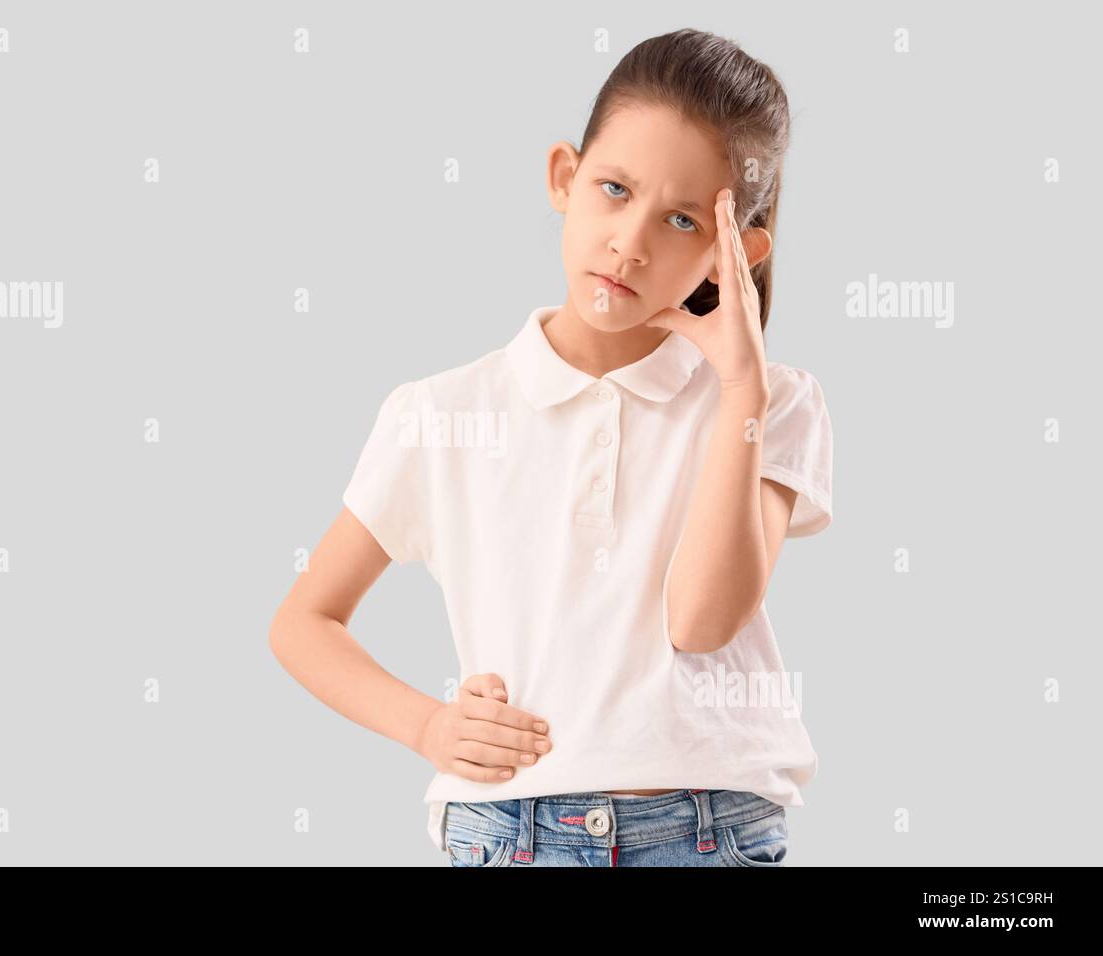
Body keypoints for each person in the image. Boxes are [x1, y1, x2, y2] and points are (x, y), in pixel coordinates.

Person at [269, 28, 833, 867]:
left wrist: (739, 392)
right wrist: (428, 724)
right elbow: (303, 622)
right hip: (512, 834)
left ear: (735, 254)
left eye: (681, 219)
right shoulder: (441, 412)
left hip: (711, 834)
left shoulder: (772, 403)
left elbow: (702, 620)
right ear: (564, 178)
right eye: (614, 189)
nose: (631, 241)